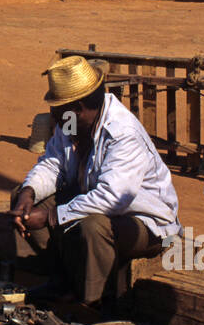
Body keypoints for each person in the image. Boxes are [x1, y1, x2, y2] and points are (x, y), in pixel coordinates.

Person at [11, 55, 181, 306]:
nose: (53, 114)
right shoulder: (71, 122)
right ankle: (55, 279)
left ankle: (93, 303)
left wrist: (51, 217)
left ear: (78, 107)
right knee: (24, 199)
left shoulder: (122, 133)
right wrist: (29, 191)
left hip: (147, 224)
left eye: (57, 108)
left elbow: (112, 199)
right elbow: (53, 163)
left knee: (93, 226)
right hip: (92, 200)